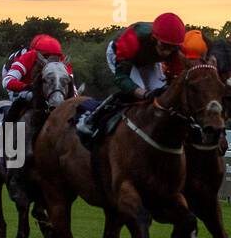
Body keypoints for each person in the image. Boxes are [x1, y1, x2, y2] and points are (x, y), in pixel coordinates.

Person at [75, 12, 187, 142]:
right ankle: (92, 118)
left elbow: (174, 78)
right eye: (164, 46)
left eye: (171, 48)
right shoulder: (132, 39)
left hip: (148, 61)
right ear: (153, 38)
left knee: (161, 93)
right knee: (137, 95)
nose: (167, 52)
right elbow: (121, 78)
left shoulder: (177, 48)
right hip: (122, 56)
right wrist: (143, 94)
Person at [1, 34, 71, 125]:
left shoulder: (62, 60)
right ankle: (4, 134)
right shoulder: (26, 57)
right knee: (26, 97)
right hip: (23, 85)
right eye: (47, 56)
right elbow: (7, 81)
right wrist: (25, 86)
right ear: (38, 54)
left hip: (46, 88)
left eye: (55, 56)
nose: (52, 60)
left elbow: (71, 86)